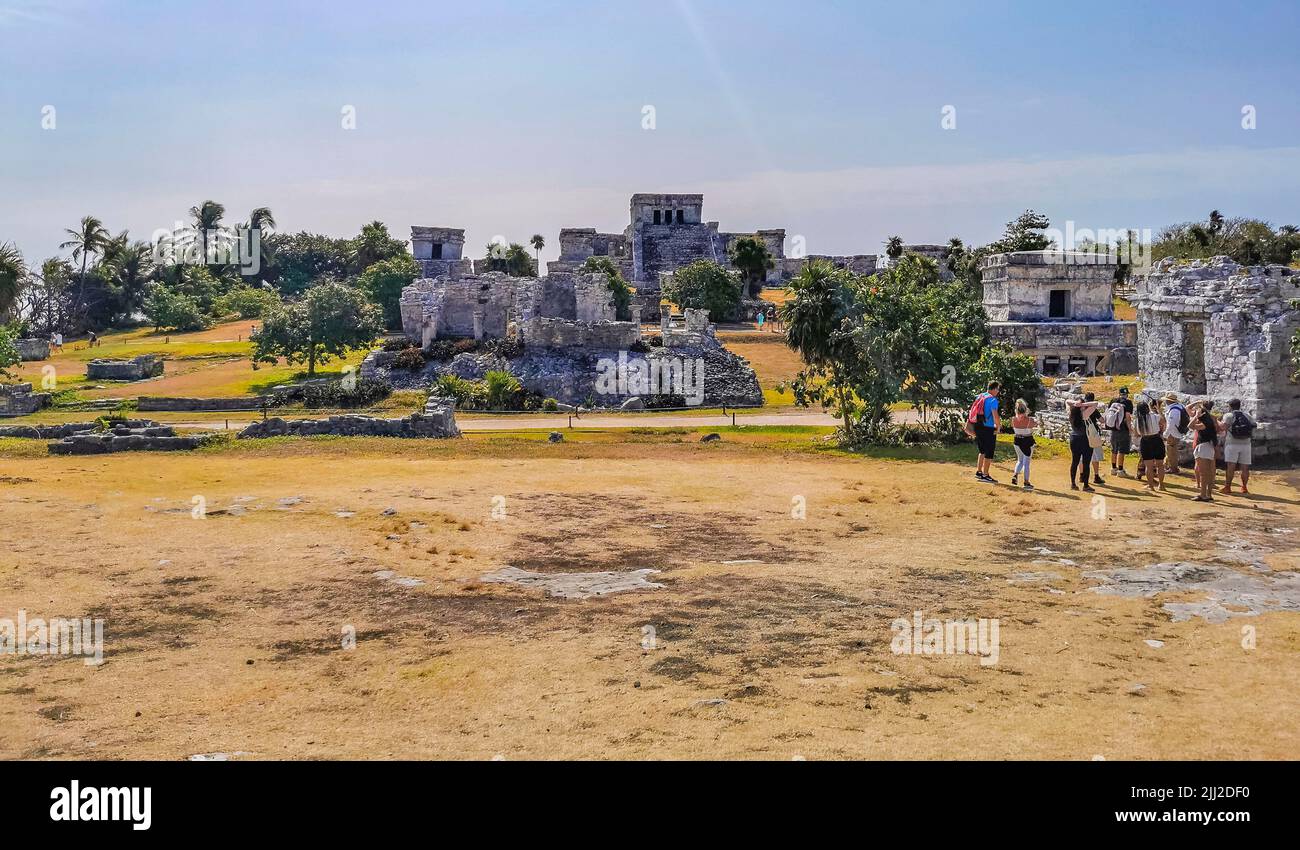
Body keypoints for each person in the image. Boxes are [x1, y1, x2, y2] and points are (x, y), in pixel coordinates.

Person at [967, 381, 1002, 483]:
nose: (998, 392)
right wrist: (998, 427)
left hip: (978, 426)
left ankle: (979, 472)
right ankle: (986, 475)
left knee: (982, 450)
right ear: (994, 389)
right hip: (988, 428)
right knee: (989, 452)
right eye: (998, 389)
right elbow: (995, 415)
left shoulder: (980, 396)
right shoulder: (992, 400)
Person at [1220, 398, 1255, 496]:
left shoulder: (1228, 415)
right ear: (1240, 406)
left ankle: (1228, 487)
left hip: (1232, 443)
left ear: (1230, 406)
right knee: (1245, 467)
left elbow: (1223, 428)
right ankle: (1244, 487)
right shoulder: (1247, 416)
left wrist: (1217, 421)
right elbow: (1253, 425)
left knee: (1231, 466)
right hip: (1246, 444)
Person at [1189, 399, 1221, 502]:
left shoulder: (1204, 424)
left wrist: (1196, 416)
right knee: (1209, 473)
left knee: (1204, 473)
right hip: (1209, 447)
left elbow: (1190, 426)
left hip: (1203, 447)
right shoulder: (1211, 421)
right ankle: (1208, 494)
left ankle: (1203, 495)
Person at [1067, 396, 1101, 492]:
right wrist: (1083, 404)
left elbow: (1067, 400)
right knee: (1086, 463)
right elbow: (1095, 403)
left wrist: (1075, 403)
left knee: (1075, 461)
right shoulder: (1085, 414)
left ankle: (1073, 484)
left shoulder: (1071, 414)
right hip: (1085, 439)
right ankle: (1086, 485)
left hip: (1074, 438)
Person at [1133, 398, 1166, 492]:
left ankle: (1151, 486)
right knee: (1160, 465)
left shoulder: (1137, 421)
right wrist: (1158, 409)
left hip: (1145, 441)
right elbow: (1163, 421)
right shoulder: (1154, 416)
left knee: (1149, 466)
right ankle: (1161, 485)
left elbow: (1136, 433)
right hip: (1156, 439)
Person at [1106, 387, 1134, 477]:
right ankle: (1121, 470)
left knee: (1114, 449)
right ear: (1127, 394)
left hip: (1113, 428)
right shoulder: (1128, 403)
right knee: (1121, 450)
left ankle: (1113, 469)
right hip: (1123, 429)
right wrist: (1130, 429)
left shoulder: (1113, 401)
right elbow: (1128, 417)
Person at [1010, 399, 1036, 491]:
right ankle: (1026, 482)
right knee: (1026, 463)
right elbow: (1035, 425)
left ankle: (1015, 474)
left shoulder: (1013, 419)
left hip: (1017, 440)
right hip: (1027, 440)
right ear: (1026, 410)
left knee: (1020, 460)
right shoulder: (1030, 420)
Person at [1163, 393, 1188, 475]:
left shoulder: (1173, 410)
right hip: (1176, 433)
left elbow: (1171, 424)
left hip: (1173, 433)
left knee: (1171, 451)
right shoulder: (1180, 406)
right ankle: (1173, 467)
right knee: (1173, 450)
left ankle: (1173, 468)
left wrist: (1165, 434)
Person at [1085, 392, 1106, 485]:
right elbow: (1102, 420)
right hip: (1093, 434)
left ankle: (1082, 476)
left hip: (1083, 434)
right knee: (1095, 456)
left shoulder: (1081, 409)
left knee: (1082, 457)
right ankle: (1096, 476)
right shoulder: (1093, 409)